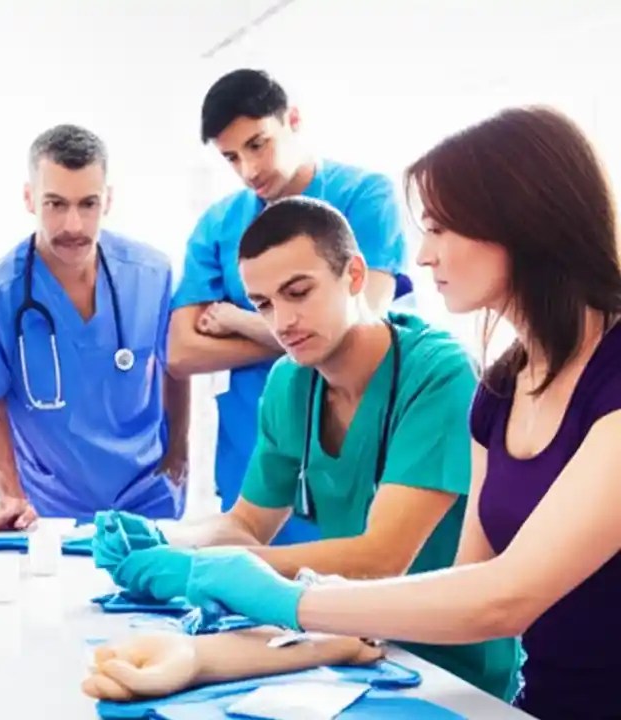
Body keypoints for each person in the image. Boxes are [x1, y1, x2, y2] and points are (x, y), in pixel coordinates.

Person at [94, 106, 621, 719]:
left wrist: (282, 594)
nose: (423, 256)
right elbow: (464, 583)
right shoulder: (501, 390)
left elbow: (504, 600)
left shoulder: (593, 379)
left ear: (527, 221)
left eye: (441, 228)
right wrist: (206, 657)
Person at [155, 196, 518, 698]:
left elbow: (380, 557)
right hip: (348, 652)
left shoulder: (439, 374)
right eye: (262, 304)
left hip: (453, 673)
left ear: (354, 275)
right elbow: (246, 524)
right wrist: (167, 540)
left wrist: (212, 569)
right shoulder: (289, 382)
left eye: (298, 292)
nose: (281, 323)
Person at [167, 69, 410, 544]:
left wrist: (241, 320)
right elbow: (182, 353)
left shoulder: (364, 196)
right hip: (253, 463)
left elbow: (365, 318)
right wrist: (307, 335)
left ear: (292, 119)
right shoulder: (220, 223)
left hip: (351, 459)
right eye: (232, 157)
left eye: (258, 144)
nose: (249, 170)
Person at [0, 124, 191, 529]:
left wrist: (179, 450)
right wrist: (11, 495)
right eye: (56, 204)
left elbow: (175, 365)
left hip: (148, 498)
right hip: (52, 508)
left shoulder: (152, 273)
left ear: (109, 200)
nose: (74, 226)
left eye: (88, 204)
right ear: (29, 198)